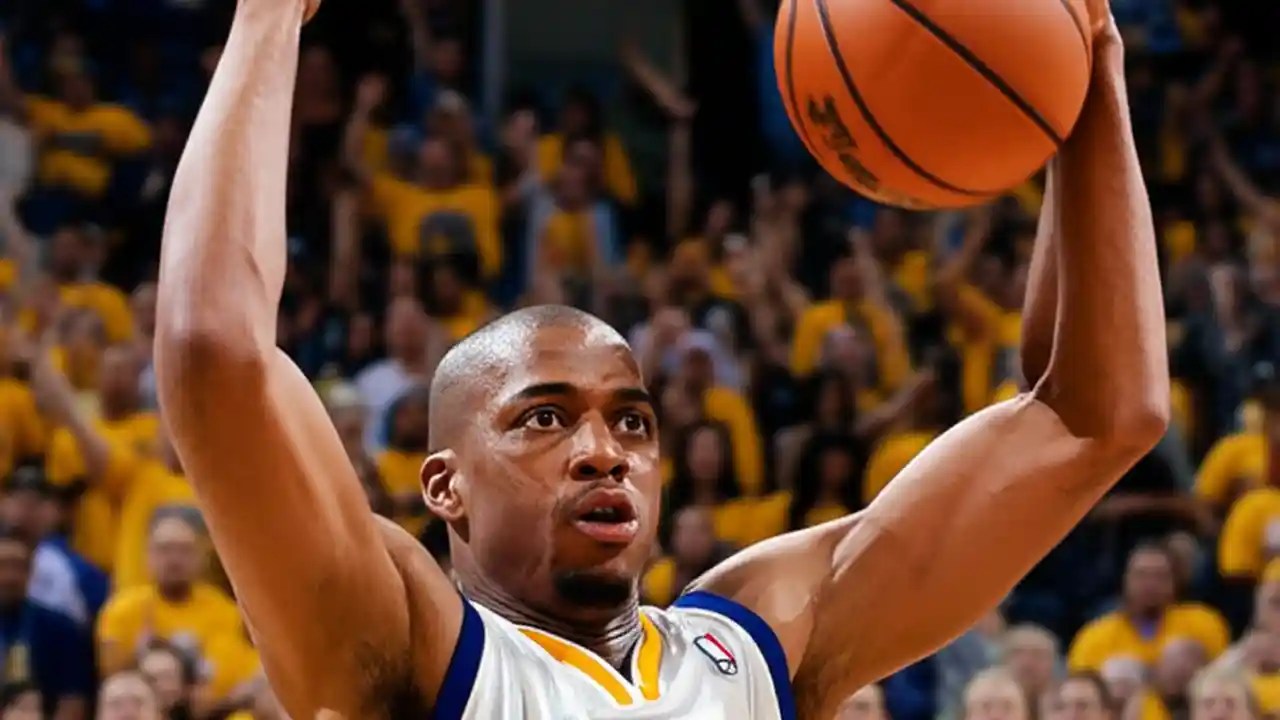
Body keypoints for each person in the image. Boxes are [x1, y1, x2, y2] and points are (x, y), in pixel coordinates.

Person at [153, 1, 1168, 719]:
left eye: (630, 421)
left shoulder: (754, 644)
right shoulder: (409, 648)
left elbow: (1094, 415)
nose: (603, 451)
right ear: (444, 487)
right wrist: (268, 16)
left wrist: (1090, 67)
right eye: (542, 418)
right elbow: (213, 351)